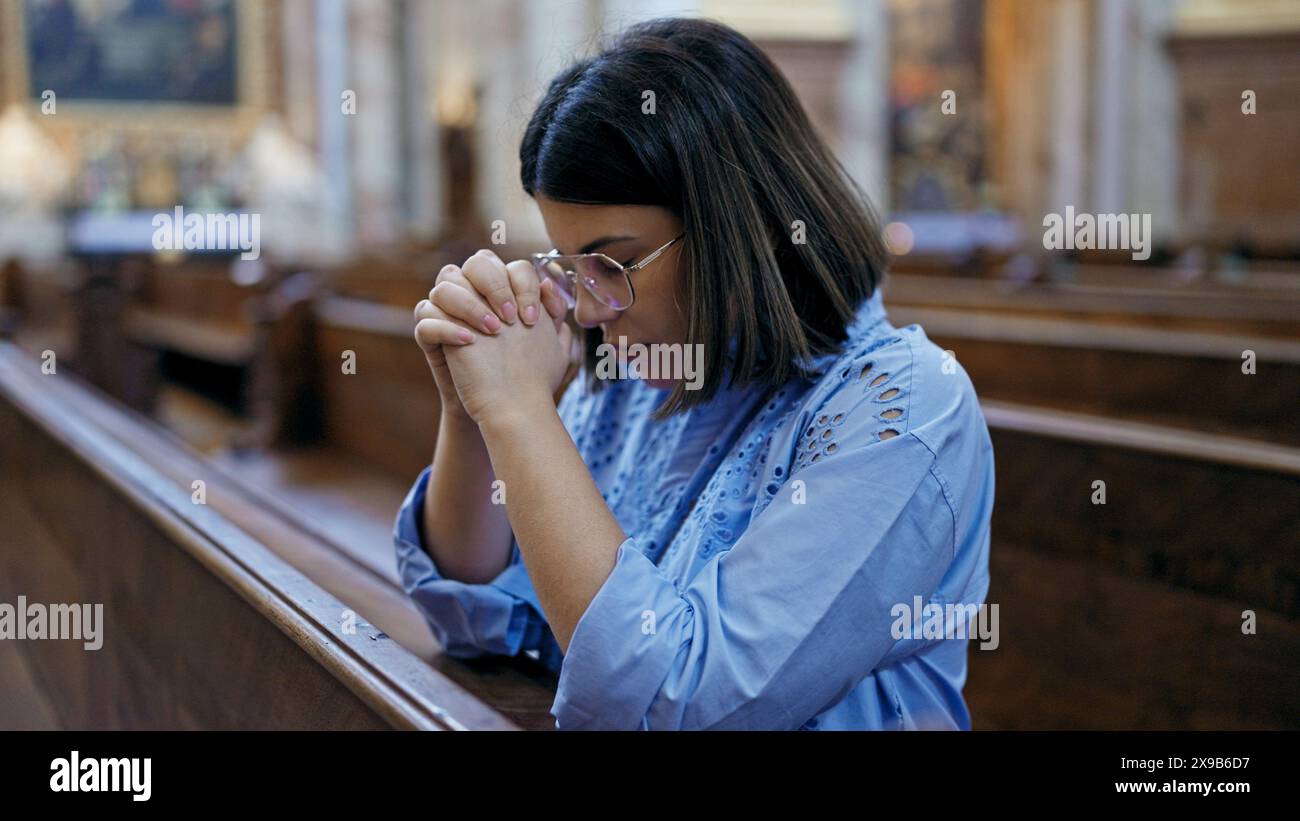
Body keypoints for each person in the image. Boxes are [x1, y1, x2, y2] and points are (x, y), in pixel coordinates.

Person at [396, 17, 994, 730]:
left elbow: (681, 700)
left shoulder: (904, 409)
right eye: (569, 265)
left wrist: (522, 409)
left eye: (613, 263)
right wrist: (470, 411)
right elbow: (478, 611)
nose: (587, 308)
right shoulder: (631, 377)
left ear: (741, 223)